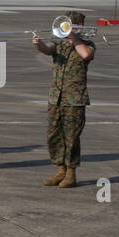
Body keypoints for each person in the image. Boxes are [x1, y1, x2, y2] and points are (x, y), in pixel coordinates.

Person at [34, 11, 96, 188]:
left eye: (70, 26)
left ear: (78, 28)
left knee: (72, 137)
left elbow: (85, 55)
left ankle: (71, 173)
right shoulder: (59, 44)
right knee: (53, 135)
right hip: (56, 97)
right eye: (65, 26)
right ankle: (60, 170)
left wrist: (74, 38)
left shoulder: (88, 44)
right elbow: (47, 50)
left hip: (75, 99)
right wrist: (38, 44)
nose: (66, 29)